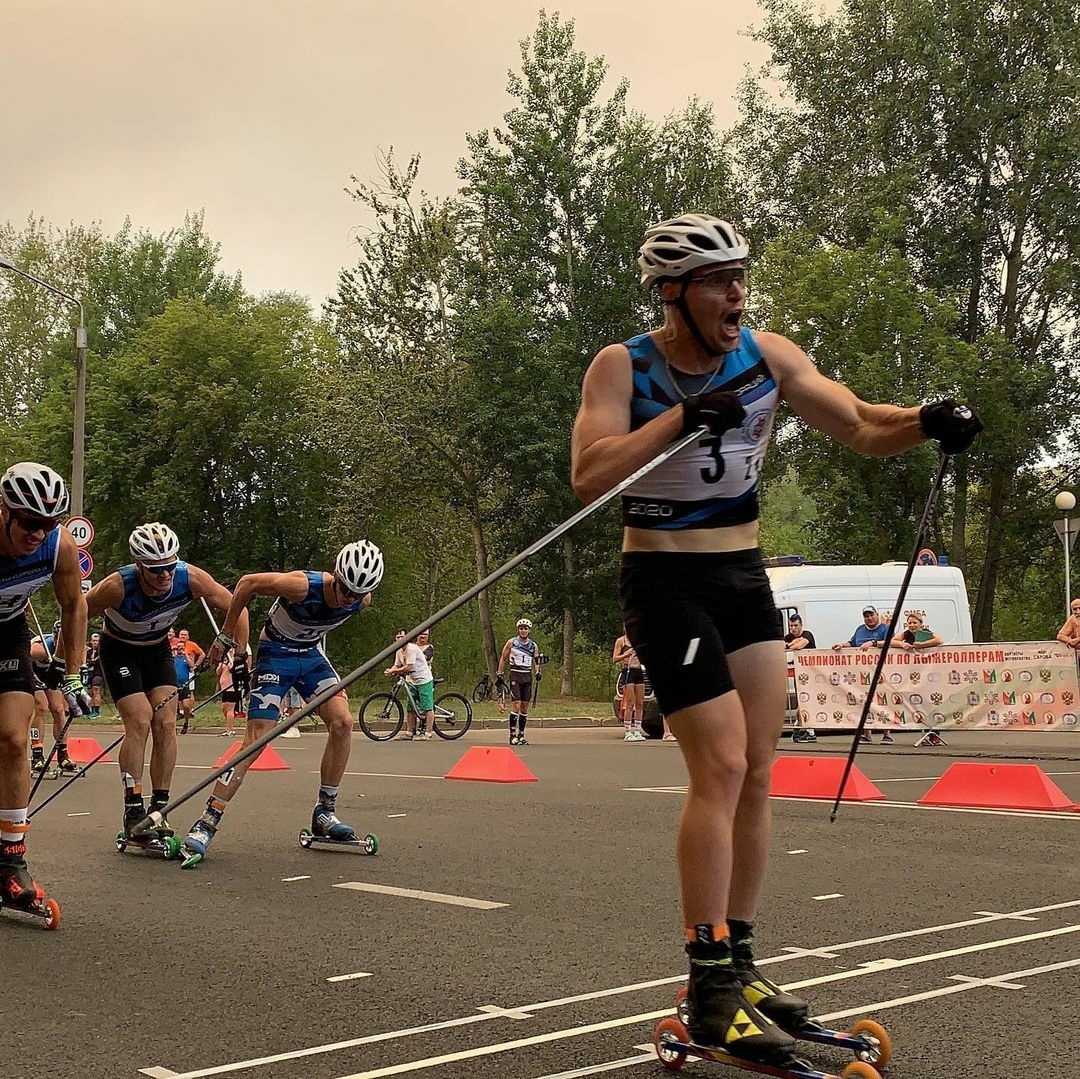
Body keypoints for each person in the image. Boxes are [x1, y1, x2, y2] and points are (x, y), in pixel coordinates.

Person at [569, 213, 982, 1064]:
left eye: (740, 276)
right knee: (717, 764)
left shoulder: (769, 353)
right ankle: (708, 981)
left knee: (759, 769)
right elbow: (590, 474)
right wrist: (682, 420)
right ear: (674, 293)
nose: (737, 293)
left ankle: (739, 962)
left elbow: (865, 424)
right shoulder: (625, 366)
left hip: (744, 579)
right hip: (666, 580)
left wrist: (929, 418)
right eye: (719, 280)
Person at [181, 540, 383, 865]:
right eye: (345, 589)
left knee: (343, 723)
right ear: (336, 575)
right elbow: (247, 583)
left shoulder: (362, 600)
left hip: (311, 657)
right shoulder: (301, 586)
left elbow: (345, 607)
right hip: (276, 654)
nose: (349, 598)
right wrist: (226, 634)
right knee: (256, 741)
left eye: (357, 594)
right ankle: (207, 820)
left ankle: (325, 813)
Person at [85, 522, 246, 854]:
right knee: (141, 719)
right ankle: (133, 809)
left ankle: (159, 809)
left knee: (166, 722)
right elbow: (76, 612)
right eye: (156, 570)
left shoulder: (190, 577)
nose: (164, 576)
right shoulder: (117, 586)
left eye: (169, 567)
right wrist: (68, 669)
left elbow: (237, 607)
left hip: (157, 649)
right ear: (140, 566)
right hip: (120, 650)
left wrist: (236, 649)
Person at [0, 463, 88, 917]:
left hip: (8, 631)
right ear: (6, 513)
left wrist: (73, 674)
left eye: (48, 524)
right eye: (30, 523)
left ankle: (11, 861)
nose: (38, 534)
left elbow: (74, 606)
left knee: (15, 738)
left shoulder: (59, 547)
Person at [29, 623, 77, 775]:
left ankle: (63, 754)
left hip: (50, 674)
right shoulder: (42, 647)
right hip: (32, 672)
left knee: (58, 709)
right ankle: (37, 754)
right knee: (41, 706)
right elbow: (26, 655)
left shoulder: (72, 646)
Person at [384, 629, 435, 741]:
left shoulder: (411, 649)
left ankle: (428, 733)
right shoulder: (399, 651)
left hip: (423, 679)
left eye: (402, 637)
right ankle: (409, 732)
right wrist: (390, 670)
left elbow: (409, 667)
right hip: (412, 681)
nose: (399, 639)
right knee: (410, 707)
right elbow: (396, 665)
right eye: (397, 637)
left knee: (427, 707)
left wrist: (395, 671)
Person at [497, 618, 539, 746]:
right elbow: (503, 658)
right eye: (521, 628)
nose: (523, 630)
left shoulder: (533, 645)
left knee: (525, 707)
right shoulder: (512, 642)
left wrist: (537, 672)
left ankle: (521, 735)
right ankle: (512, 735)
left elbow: (536, 660)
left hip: (527, 676)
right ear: (518, 630)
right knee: (516, 704)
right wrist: (500, 672)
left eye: (525, 628)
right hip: (515, 675)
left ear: (529, 630)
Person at [613, 629, 646, 741]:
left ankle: (637, 730)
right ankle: (628, 731)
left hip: (638, 671)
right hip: (628, 672)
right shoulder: (621, 641)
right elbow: (615, 658)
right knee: (630, 702)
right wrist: (626, 655)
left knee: (640, 703)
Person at [172, 637, 196, 735]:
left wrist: (185, 654)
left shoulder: (187, 658)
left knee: (186, 705)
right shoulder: (173, 658)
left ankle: (186, 722)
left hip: (184, 685)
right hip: (175, 685)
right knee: (173, 707)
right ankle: (172, 726)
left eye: (181, 648)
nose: (179, 650)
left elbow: (192, 666)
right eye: (178, 648)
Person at [216, 648, 239, 737]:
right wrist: (221, 663)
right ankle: (228, 728)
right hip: (224, 689)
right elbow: (218, 672)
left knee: (230, 709)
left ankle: (230, 730)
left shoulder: (234, 662)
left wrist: (230, 656)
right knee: (224, 708)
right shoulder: (224, 662)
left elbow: (231, 668)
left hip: (231, 688)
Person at [85, 631, 104, 718]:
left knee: (96, 690)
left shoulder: (102, 651)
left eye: (97, 640)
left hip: (98, 673)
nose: (95, 642)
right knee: (90, 692)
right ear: (91, 641)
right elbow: (85, 661)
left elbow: (96, 662)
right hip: (90, 674)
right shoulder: (88, 652)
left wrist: (90, 662)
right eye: (94, 640)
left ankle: (97, 711)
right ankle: (91, 710)